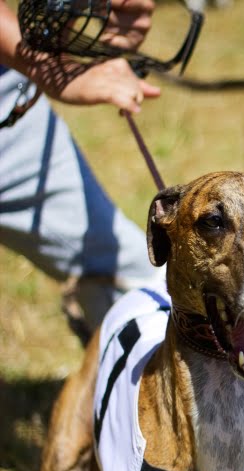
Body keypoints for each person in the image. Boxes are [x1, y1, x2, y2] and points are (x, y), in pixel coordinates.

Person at [0, 0, 163, 344]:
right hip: (22, 70)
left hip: (10, 108)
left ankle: (106, 370)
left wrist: (79, 14)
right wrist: (48, 65)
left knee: (147, 286)